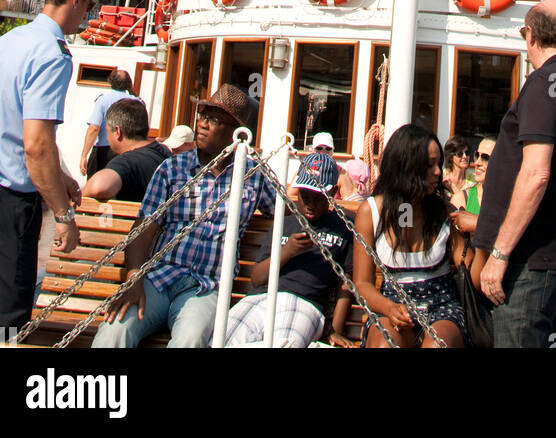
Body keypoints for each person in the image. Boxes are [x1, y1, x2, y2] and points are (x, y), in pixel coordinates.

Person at [91, 85, 275, 348]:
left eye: (214, 120)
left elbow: (288, 211)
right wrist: (134, 278)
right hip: (158, 278)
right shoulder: (172, 168)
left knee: (190, 341)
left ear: (235, 133)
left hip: (205, 286)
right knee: (114, 331)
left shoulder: (252, 175)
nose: (202, 124)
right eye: (202, 115)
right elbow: (144, 227)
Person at [471, 0, 556, 348]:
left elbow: (536, 174)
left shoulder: (545, 83)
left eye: (524, 33)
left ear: (532, 37)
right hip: (555, 255)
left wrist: (498, 255)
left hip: (532, 261)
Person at [0, 0, 95, 329]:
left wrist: (61, 175)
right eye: (89, 6)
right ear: (75, 0)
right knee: (0, 323)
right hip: (7, 204)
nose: (87, 16)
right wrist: (64, 217)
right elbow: (36, 146)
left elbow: (8, 125)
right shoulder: (52, 55)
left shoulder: (4, 43)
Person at [354, 123, 465, 349]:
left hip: (441, 308)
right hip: (393, 306)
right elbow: (362, 283)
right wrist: (388, 308)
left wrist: (480, 229)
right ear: (407, 166)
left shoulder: (445, 213)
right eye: (429, 165)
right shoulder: (372, 212)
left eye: (439, 164)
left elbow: (473, 274)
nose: (438, 172)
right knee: (385, 344)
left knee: (438, 345)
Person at [224, 152, 353, 347]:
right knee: (222, 337)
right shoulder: (284, 223)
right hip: (261, 297)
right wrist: (287, 252)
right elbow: (257, 279)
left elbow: (346, 284)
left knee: (284, 343)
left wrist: (334, 330)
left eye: (318, 198)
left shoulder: (342, 227)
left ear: (333, 191)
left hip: (304, 302)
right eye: (305, 197)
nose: (310, 205)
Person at [82, 99, 170, 203]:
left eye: (107, 132)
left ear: (117, 132)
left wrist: (80, 194)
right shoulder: (164, 152)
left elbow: (99, 187)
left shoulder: (126, 162)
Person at [80, 69, 142, 178]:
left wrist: (84, 155)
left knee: (95, 189)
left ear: (111, 82)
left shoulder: (103, 100)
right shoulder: (137, 102)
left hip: (103, 152)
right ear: (128, 83)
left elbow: (94, 128)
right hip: (127, 152)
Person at [442, 136, 471, 207]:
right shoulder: (442, 178)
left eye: (467, 153)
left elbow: (469, 206)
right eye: (460, 154)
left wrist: (453, 187)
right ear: (451, 157)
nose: (465, 156)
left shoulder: (473, 181)